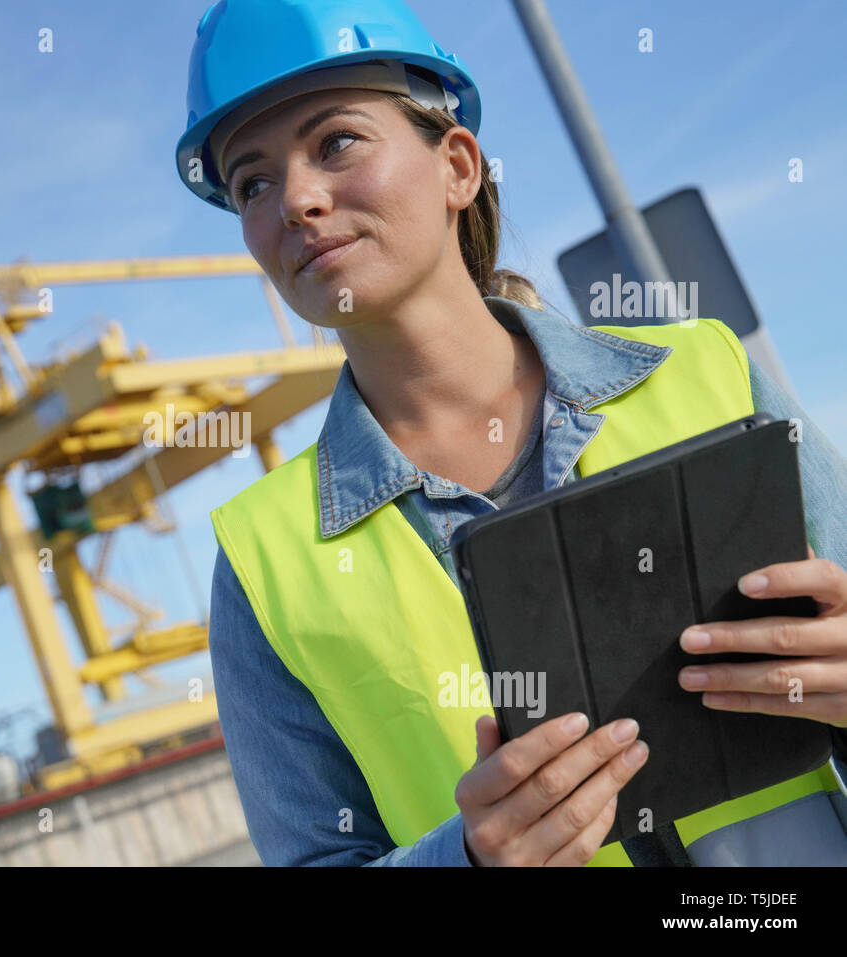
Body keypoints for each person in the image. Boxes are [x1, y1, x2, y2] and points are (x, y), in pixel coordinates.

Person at [175, 0, 847, 866]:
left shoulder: (707, 375)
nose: (296, 199)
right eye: (252, 183)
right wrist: (469, 860)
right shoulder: (269, 559)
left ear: (457, 165)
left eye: (336, 141)